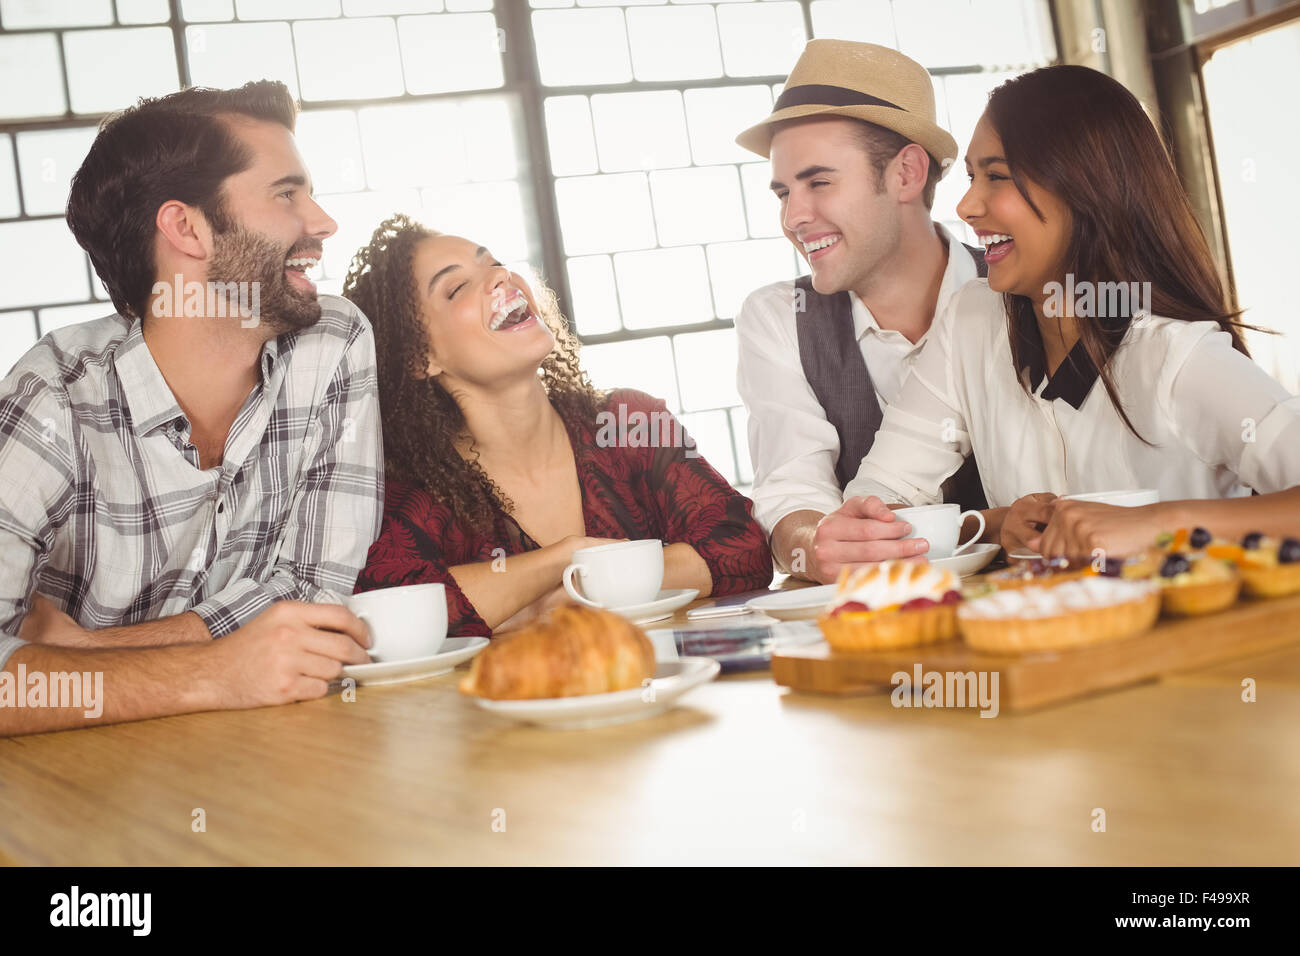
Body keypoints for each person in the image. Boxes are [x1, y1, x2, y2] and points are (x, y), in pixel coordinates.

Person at [0, 81, 383, 736]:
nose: (321, 222)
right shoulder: (56, 399)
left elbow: (317, 602)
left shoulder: (334, 340)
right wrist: (218, 672)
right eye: (286, 193)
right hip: (75, 788)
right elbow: (272, 639)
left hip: (267, 759)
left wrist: (83, 651)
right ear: (187, 228)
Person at [841, 65, 1300, 558]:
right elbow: (877, 505)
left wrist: (1162, 523)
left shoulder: (1176, 354)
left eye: (997, 176)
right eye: (973, 176)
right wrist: (994, 525)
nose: (968, 205)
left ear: (1086, 188)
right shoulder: (971, 319)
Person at [345, 215, 772, 635]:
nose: (500, 278)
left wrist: (575, 591)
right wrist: (562, 558)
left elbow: (742, 547)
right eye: (457, 288)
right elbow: (391, 614)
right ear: (419, 358)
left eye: (494, 263)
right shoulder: (412, 493)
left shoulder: (628, 422)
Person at [733, 40, 987, 586]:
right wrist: (814, 543)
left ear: (906, 174)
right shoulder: (779, 318)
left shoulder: (1019, 291)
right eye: (783, 192)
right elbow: (790, 493)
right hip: (880, 627)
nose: (793, 217)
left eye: (819, 182)